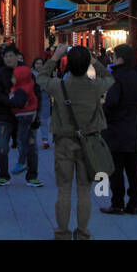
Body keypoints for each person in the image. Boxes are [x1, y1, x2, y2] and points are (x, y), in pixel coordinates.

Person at [37, 43, 113, 240]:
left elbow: (41, 78)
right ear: (87, 64)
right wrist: (95, 61)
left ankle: (62, 232)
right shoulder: (96, 86)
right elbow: (110, 77)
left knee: (63, 189)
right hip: (88, 142)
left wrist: (55, 57)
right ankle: (82, 232)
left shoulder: (58, 86)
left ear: (68, 64)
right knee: (84, 191)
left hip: (64, 141)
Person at [99, 43, 137, 215]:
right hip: (132, 125)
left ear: (120, 58)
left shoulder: (116, 78)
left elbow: (111, 103)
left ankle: (117, 202)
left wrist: (104, 115)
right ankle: (134, 203)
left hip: (116, 128)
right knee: (133, 168)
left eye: (114, 56)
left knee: (116, 168)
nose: (113, 59)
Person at [0, 44, 24, 184]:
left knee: (29, 146)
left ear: (17, 56)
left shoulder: (26, 71)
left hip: (24, 114)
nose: (8, 58)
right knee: (1, 146)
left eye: (11, 55)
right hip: (5, 114)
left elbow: (34, 92)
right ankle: (3, 174)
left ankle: (32, 175)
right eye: (6, 56)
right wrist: (11, 102)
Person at [8, 64, 43, 186]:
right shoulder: (28, 86)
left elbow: (19, 103)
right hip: (29, 114)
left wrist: (9, 102)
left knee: (22, 139)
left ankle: (22, 162)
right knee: (27, 139)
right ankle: (24, 162)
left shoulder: (21, 90)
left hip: (24, 116)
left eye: (14, 77)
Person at [32, 57, 52, 149]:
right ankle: (32, 139)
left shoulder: (46, 74)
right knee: (33, 120)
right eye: (37, 63)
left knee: (44, 121)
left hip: (44, 99)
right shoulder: (30, 74)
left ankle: (45, 139)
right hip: (34, 99)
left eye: (40, 63)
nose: (39, 65)